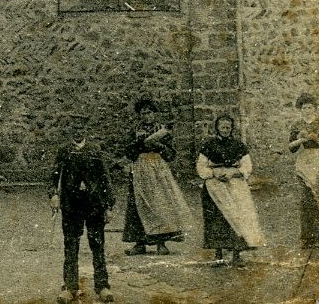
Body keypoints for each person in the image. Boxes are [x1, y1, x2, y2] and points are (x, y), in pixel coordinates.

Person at [48, 117, 116, 301]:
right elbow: (54, 176)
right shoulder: (64, 151)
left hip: (94, 204)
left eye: (81, 128)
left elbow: (105, 178)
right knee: (71, 245)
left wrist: (109, 205)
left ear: (86, 129)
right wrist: (54, 195)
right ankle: (69, 287)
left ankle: (102, 286)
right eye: (74, 128)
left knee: (97, 245)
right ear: (69, 130)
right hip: (71, 204)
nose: (78, 131)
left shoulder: (95, 150)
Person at [122, 97, 190, 255]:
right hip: (140, 169)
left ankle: (161, 242)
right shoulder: (135, 130)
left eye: (150, 112)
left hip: (158, 169)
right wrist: (138, 145)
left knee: (160, 203)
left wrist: (158, 145)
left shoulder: (163, 130)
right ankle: (140, 243)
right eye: (143, 113)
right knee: (139, 204)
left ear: (154, 113)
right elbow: (129, 152)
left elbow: (171, 154)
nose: (147, 116)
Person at [196, 114, 265, 263]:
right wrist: (214, 172)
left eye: (228, 127)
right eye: (222, 127)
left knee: (237, 216)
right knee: (217, 219)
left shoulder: (239, 145)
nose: (225, 130)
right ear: (217, 128)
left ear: (232, 128)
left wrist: (234, 172)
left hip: (235, 185)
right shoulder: (208, 145)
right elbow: (201, 167)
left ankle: (236, 253)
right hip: (215, 186)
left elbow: (247, 166)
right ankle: (218, 253)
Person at [288, 93, 319, 250]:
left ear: (315, 108)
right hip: (304, 161)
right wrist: (300, 139)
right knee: (305, 200)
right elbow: (291, 147)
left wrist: (314, 137)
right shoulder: (297, 125)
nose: (307, 110)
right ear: (300, 109)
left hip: (318, 160)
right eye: (304, 108)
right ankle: (307, 237)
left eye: (310, 107)